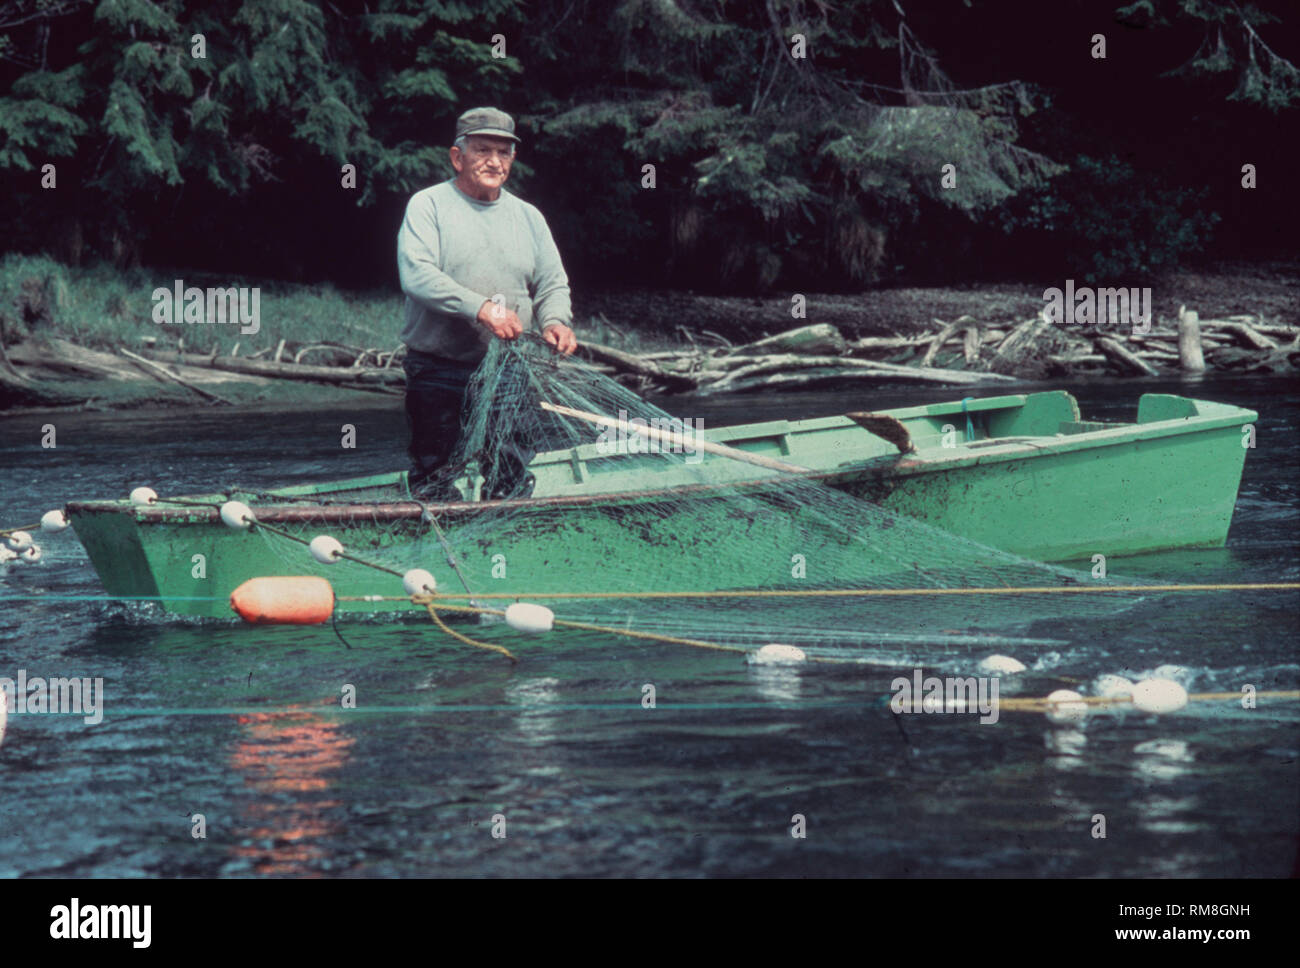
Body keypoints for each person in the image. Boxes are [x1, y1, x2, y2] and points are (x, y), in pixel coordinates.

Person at [397, 107, 577, 499]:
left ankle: (501, 538)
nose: (494, 161)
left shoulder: (529, 217)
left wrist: (556, 321)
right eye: (482, 150)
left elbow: (551, 283)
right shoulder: (428, 206)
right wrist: (482, 308)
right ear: (457, 157)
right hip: (437, 366)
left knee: (509, 470)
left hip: (509, 366)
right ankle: (440, 539)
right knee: (435, 469)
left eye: (504, 152)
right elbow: (417, 276)